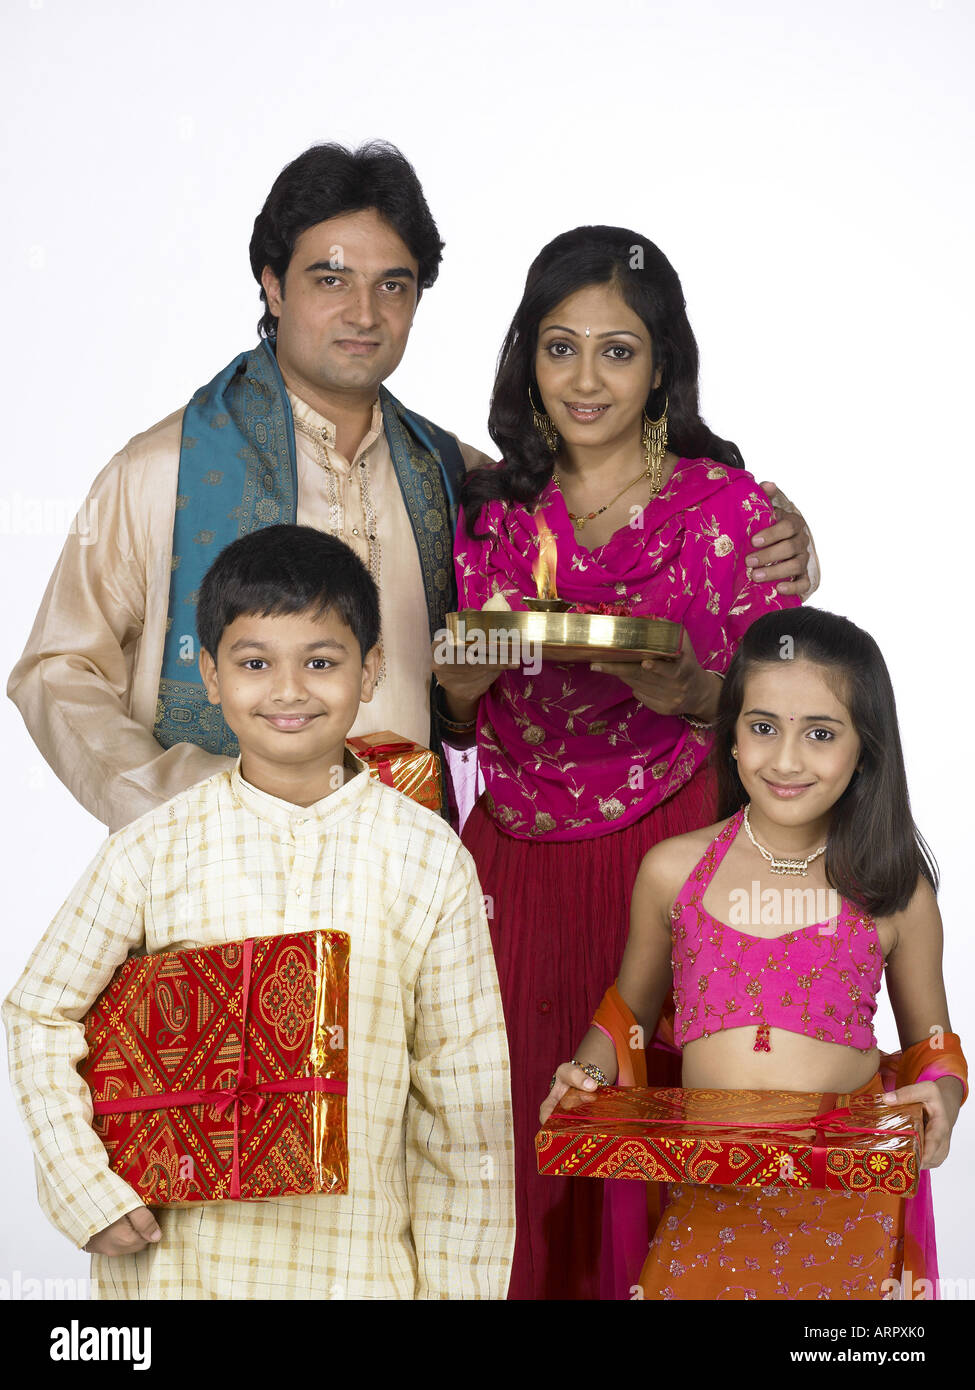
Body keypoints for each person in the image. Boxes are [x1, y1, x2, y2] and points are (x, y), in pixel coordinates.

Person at [434, 225, 813, 1299]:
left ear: (661, 365)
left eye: (618, 350)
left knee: (660, 1139)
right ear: (528, 357)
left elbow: (788, 723)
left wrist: (694, 692)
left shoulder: (729, 511)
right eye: (560, 347)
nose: (585, 379)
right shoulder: (491, 509)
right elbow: (456, 718)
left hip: (676, 852)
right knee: (513, 1136)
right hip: (512, 861)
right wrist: (457, 683)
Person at [3, 525, 515, 1299]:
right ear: (210, 675)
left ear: (371, 669)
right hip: (179, 1270)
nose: (288, 691)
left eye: (321, 662)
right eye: (254, 663)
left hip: (359, 1273)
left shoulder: (427, 858)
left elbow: (462, 1100)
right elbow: (40, 1013)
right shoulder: (154, 847)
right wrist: (85, 1190)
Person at [8, 141, 493, 834]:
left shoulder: (456, 476)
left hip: (408, 868)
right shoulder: (163, 469)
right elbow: (58, 668)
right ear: (274, 286)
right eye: (331, 280)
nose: (364, 314)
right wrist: (179, 810)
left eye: (392, 285)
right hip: (220, 868)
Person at [544, 606, 968, 1299]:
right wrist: (583, 1077)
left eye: (820, 734)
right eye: (763, 727)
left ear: (865, 747)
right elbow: (626, 1015)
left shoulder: (893, 890)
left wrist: (943, 1100)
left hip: (845, 1207)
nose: (786, 760)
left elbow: (934, 1047)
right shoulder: (673, 872)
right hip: (708, 1194)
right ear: (732, 736)